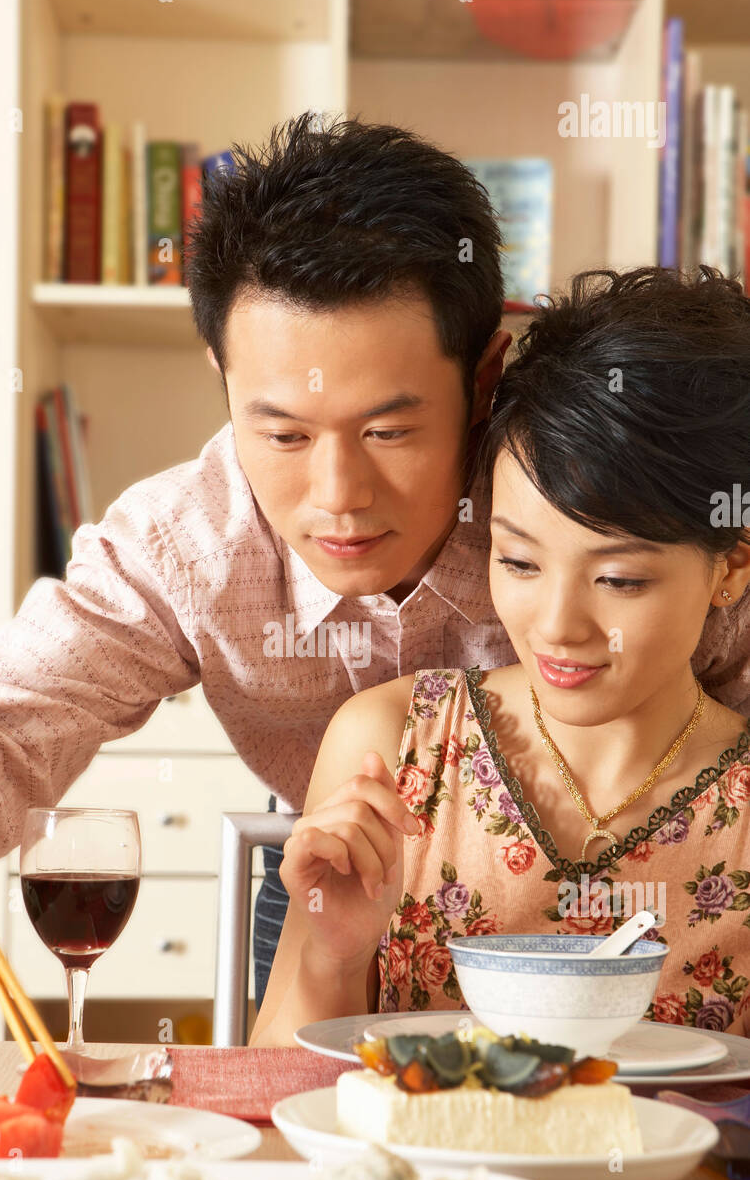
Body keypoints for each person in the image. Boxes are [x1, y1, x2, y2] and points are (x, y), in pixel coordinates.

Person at [0, 116, 749, 1008]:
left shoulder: (579, 496)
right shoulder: (190, 544)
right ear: (221, 372)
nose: (337, 494)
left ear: (486, 372)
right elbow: (1, 713)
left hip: (658, 890)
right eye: (284, 433)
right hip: (336, 879)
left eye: (389, 430)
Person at [249, 266, 750, 1046]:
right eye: (519, 561)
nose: (557, 626)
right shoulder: (390, 744)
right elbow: (280, 1117)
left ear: (732, 567)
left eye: (618, 578)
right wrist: (333, 953)